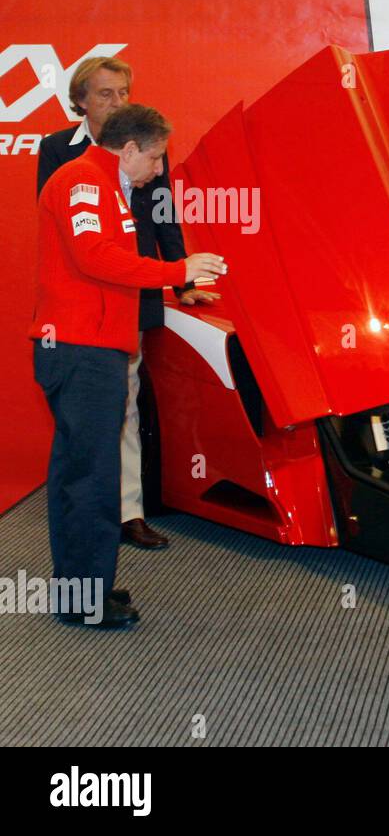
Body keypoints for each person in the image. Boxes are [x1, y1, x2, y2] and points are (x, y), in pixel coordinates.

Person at [30, 105, 227, 628]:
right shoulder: (83, 182)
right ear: (130, 148)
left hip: (91, 348)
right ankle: (83, 600)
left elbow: (106, 262)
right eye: (157, 158)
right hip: (81, 351)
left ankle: (83, 590)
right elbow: (93, 255)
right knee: (90, 476)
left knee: (84, 472)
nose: (160, 171)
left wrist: (176, 279)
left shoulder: (104, 184)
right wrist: (177, 269)